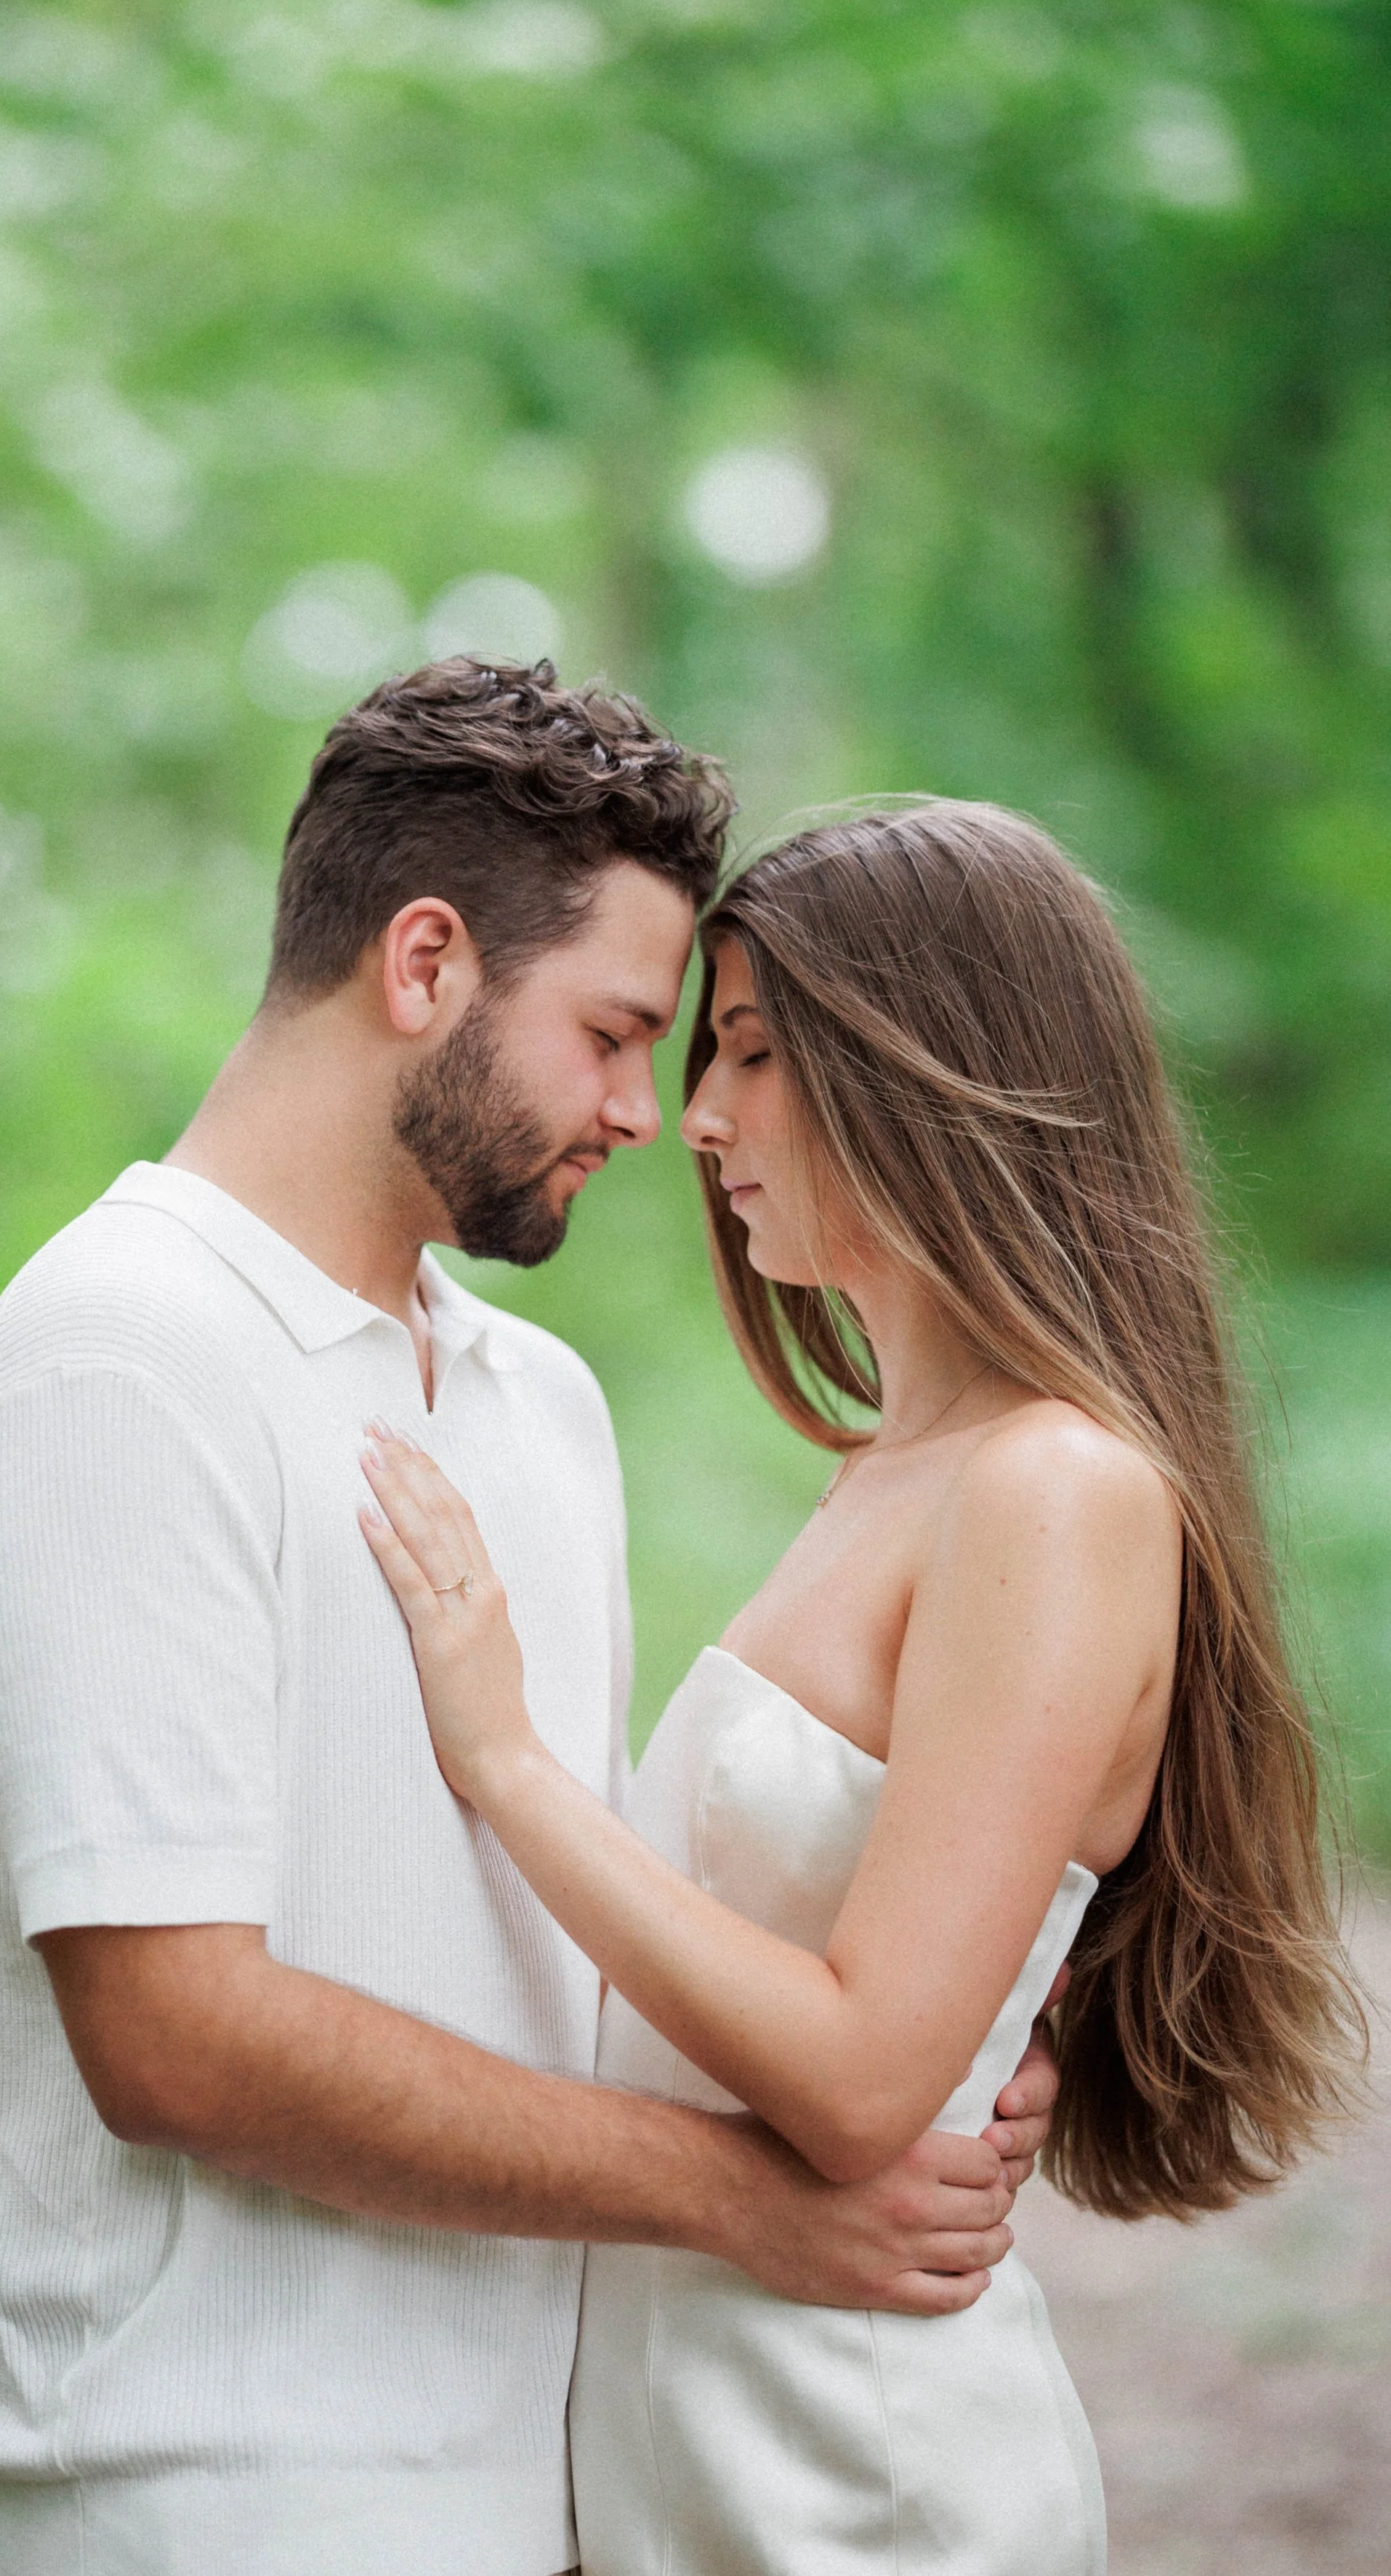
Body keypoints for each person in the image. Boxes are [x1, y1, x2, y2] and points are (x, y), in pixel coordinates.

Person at [0, 678, 1063, 2576]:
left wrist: (942, 2050)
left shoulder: (539, 1408)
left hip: (540, 2498)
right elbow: (173, 2039)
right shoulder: (122, 1348)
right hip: (207, 2508)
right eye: (614, 1034)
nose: (655, 1114)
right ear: (425, 963)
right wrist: (747, 2202)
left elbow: (576, 1956)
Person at [360, 798, 1366, 2576]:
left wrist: (504, 1760)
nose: (695, 1116)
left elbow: (855, 2079)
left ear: (929, 1065)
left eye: (749, 1052)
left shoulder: (1052, 1487)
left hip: (854, 2475)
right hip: (702, 2443)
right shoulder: (881, 1473)